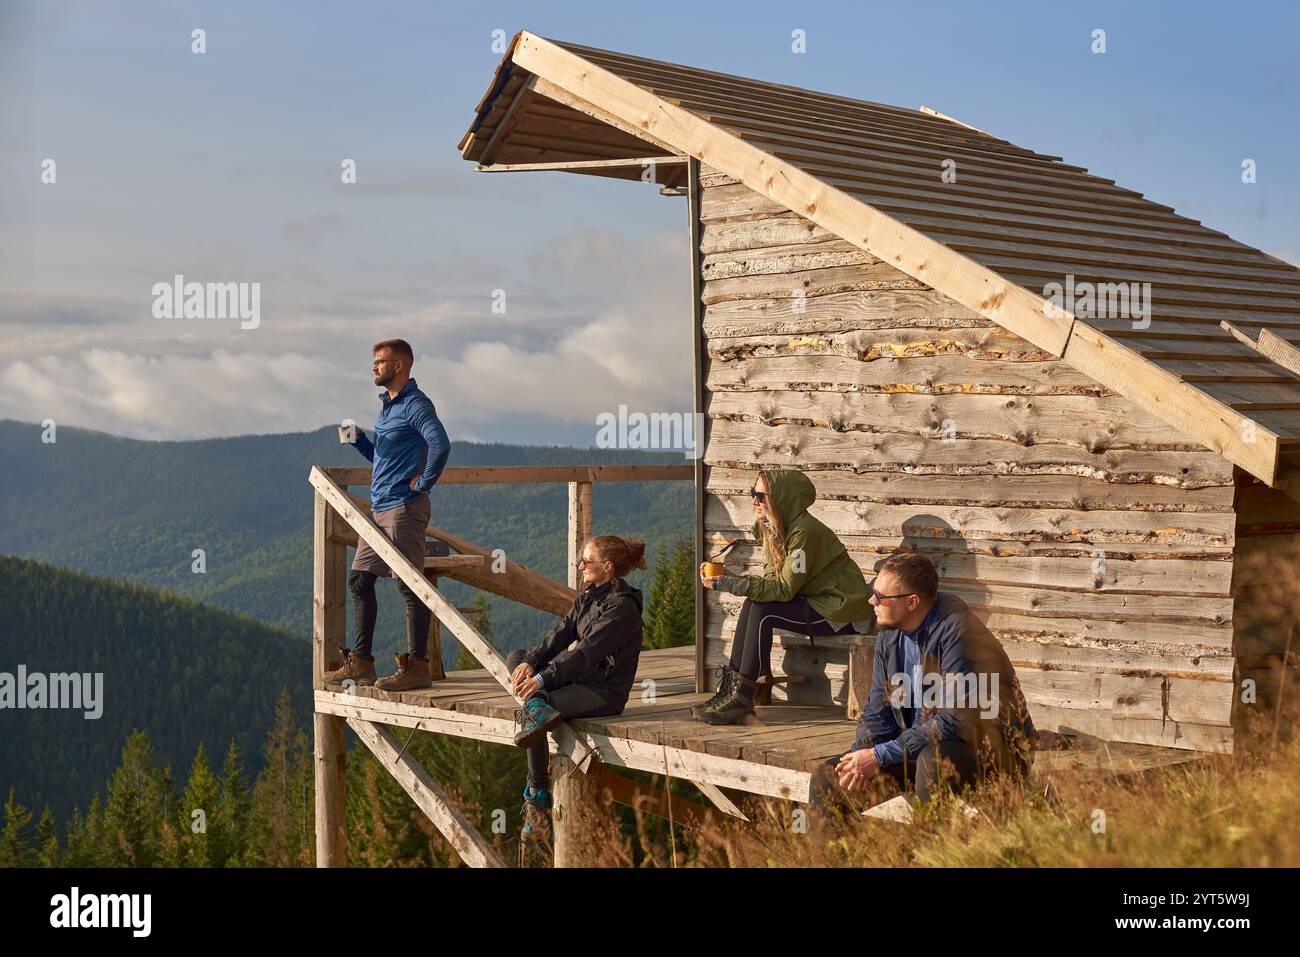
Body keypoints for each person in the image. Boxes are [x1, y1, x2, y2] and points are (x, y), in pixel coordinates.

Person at [811, 552, 1036, 822]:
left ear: (912, 602)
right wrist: (863, 755)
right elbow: (877, 707)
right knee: (827, 778)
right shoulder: (889, 632)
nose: (872, 600)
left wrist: (880, 755)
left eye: (880, 596)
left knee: (932, 763)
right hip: (920, 747)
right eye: (873, 592)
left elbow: (954, 720)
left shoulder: (960, 633)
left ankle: (930, 852)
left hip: (990, 749)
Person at [696, 468, 874, 725]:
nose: (755, 501)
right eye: (752, 493)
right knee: (754, 604)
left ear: (783, 498)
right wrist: (731, 582)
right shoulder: (775, 528)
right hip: (818, 601)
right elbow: (772, 581)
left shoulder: (804, 534)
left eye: (761, 495)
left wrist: (730, 583)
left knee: (762, 611)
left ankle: (742, 698)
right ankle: (730, 692)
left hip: (841, 610)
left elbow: (783, 589)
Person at [324, 338, 450, 692]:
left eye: (380, 361)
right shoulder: (388, 406)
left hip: (403, 508)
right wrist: (360, 442)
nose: (374, 367)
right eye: (374, 362)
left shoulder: (416, 405)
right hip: (379, 508)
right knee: (360, 579)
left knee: (409, 584)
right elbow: (383, 456)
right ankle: (361, 663)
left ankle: (418, 667)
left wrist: (423, 482)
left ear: (400, 365)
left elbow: (440, 444)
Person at [507, 535, 646, 838]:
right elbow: (560, 634)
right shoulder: (590, 596)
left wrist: (543, 679)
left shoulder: (622, 609)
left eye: (587, 561)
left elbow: (586, 654)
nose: (580, 565)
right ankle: (536, 708)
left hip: (603, 691)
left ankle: (536, 793)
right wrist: (532, 663)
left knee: (537, 697)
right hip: (582, 677)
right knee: (517, 658)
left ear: (607, 567)